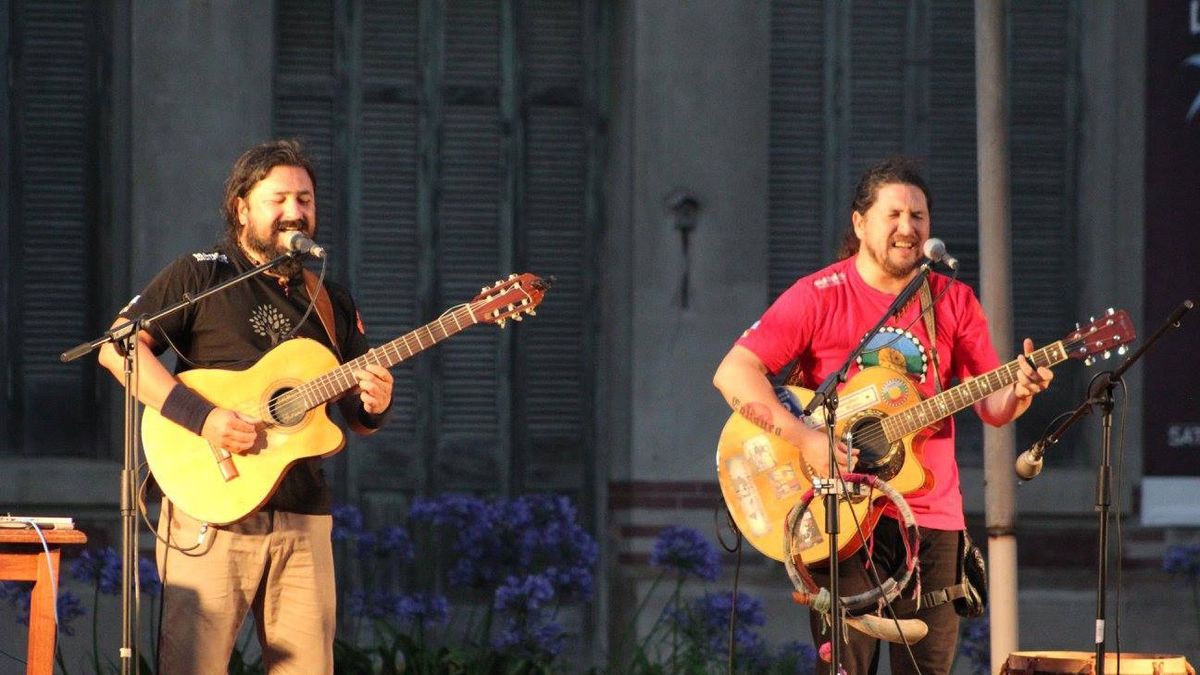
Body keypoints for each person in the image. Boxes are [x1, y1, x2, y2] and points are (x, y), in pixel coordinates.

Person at [712, 157, 1052, 675]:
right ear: (859, 223)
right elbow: (734, 373)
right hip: (840, 517)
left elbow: (993, 404)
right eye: (894, 214)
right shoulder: (818, 296)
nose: (907, 228)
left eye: (918, 216)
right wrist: (805, 438)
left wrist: (1021, 390)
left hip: (933, 520)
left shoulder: (953, 300)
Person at [98, 139, 394, 674]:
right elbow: (119, 351)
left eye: (305, 199)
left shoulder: (330, 298)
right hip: (212, 509)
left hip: (303, 516)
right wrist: (204, 418)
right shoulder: (202, 275)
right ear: (241, 207)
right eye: (279, 198)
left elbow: (354, 415)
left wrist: (375, 404)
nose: (294, 212)